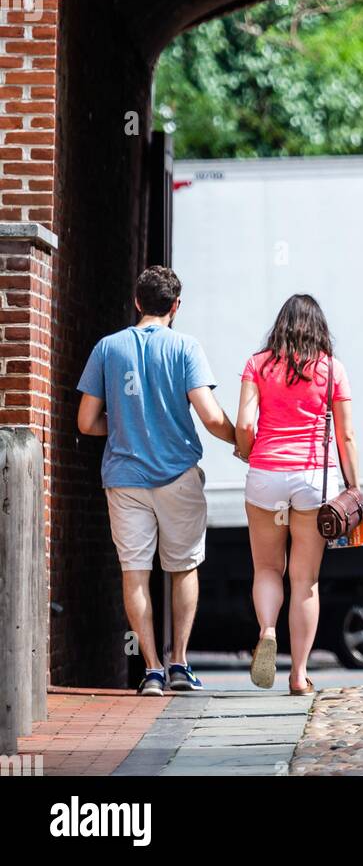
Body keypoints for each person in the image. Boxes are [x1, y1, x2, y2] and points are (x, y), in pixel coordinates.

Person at [77, 265, 236, 695]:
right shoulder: (186, 347)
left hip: (125, 479)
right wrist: (241, 440)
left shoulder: (107, 349)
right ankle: (180, 663)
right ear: (176, 306)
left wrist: (129, 421)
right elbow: (210, 415)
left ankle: (151, 670)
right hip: (177, 476)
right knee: (183, 568)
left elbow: (87, 422)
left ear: (136, 302)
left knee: (135, 573)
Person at [234, 294, 359, 695]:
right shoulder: (332, 368)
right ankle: (299, 674)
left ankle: (267, 629)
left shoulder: (258, 364)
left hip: (266, 476)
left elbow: (245, 423)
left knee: (268, 569)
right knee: (305, 581)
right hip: (312, 481)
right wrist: (354, 487)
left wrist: (245, 449)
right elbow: (346, 436)